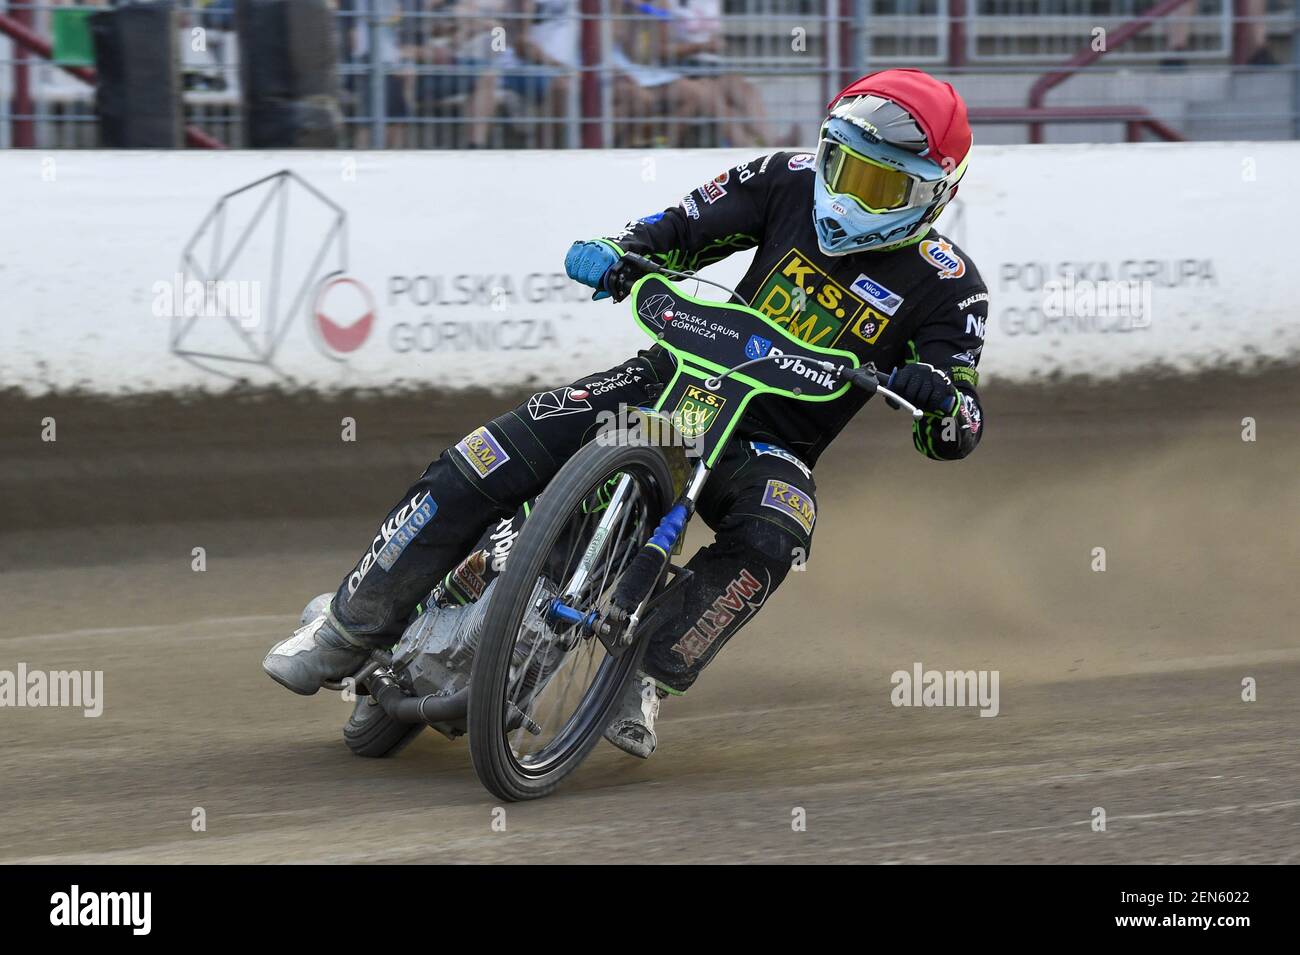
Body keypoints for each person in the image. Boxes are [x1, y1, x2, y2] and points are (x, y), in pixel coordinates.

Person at [263, 68, 989, 760]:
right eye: (841, 163)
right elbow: (678, 228)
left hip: (768, 440)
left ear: (933, 195)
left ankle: (643, 672)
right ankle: (345, 625)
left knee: (781, 526)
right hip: (668, 377)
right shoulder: (785, 178)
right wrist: (620, 250)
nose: (847, 192)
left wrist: (942, 400)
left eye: (878, 182)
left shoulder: (952, 287)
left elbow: (959, 421)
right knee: (490, 451)